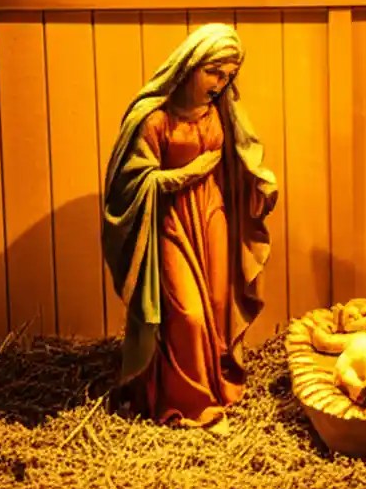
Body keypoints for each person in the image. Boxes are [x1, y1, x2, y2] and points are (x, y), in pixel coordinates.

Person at [101, 22, 278, 435]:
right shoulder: (153, 119)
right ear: (191, 65)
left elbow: (244, 155)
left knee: (216, 308)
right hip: (169, 220)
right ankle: (187, 403)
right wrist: (185, 174)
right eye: (215, 72)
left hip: (212, 213)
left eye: (230, 74)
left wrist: (260, 184)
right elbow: (131, 183)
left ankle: (215, 392)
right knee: (188, 316)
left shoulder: (223, 110)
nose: (222, 82)